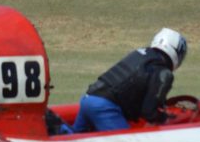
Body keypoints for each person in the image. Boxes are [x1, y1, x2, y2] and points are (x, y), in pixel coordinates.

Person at [59, 28, 187, 133]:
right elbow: (149, 112)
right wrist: (166, 118)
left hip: (89, 98)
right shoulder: (162, 72)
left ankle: (55, 129)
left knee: (72, 140)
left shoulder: (140, 54)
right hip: (104, 107)